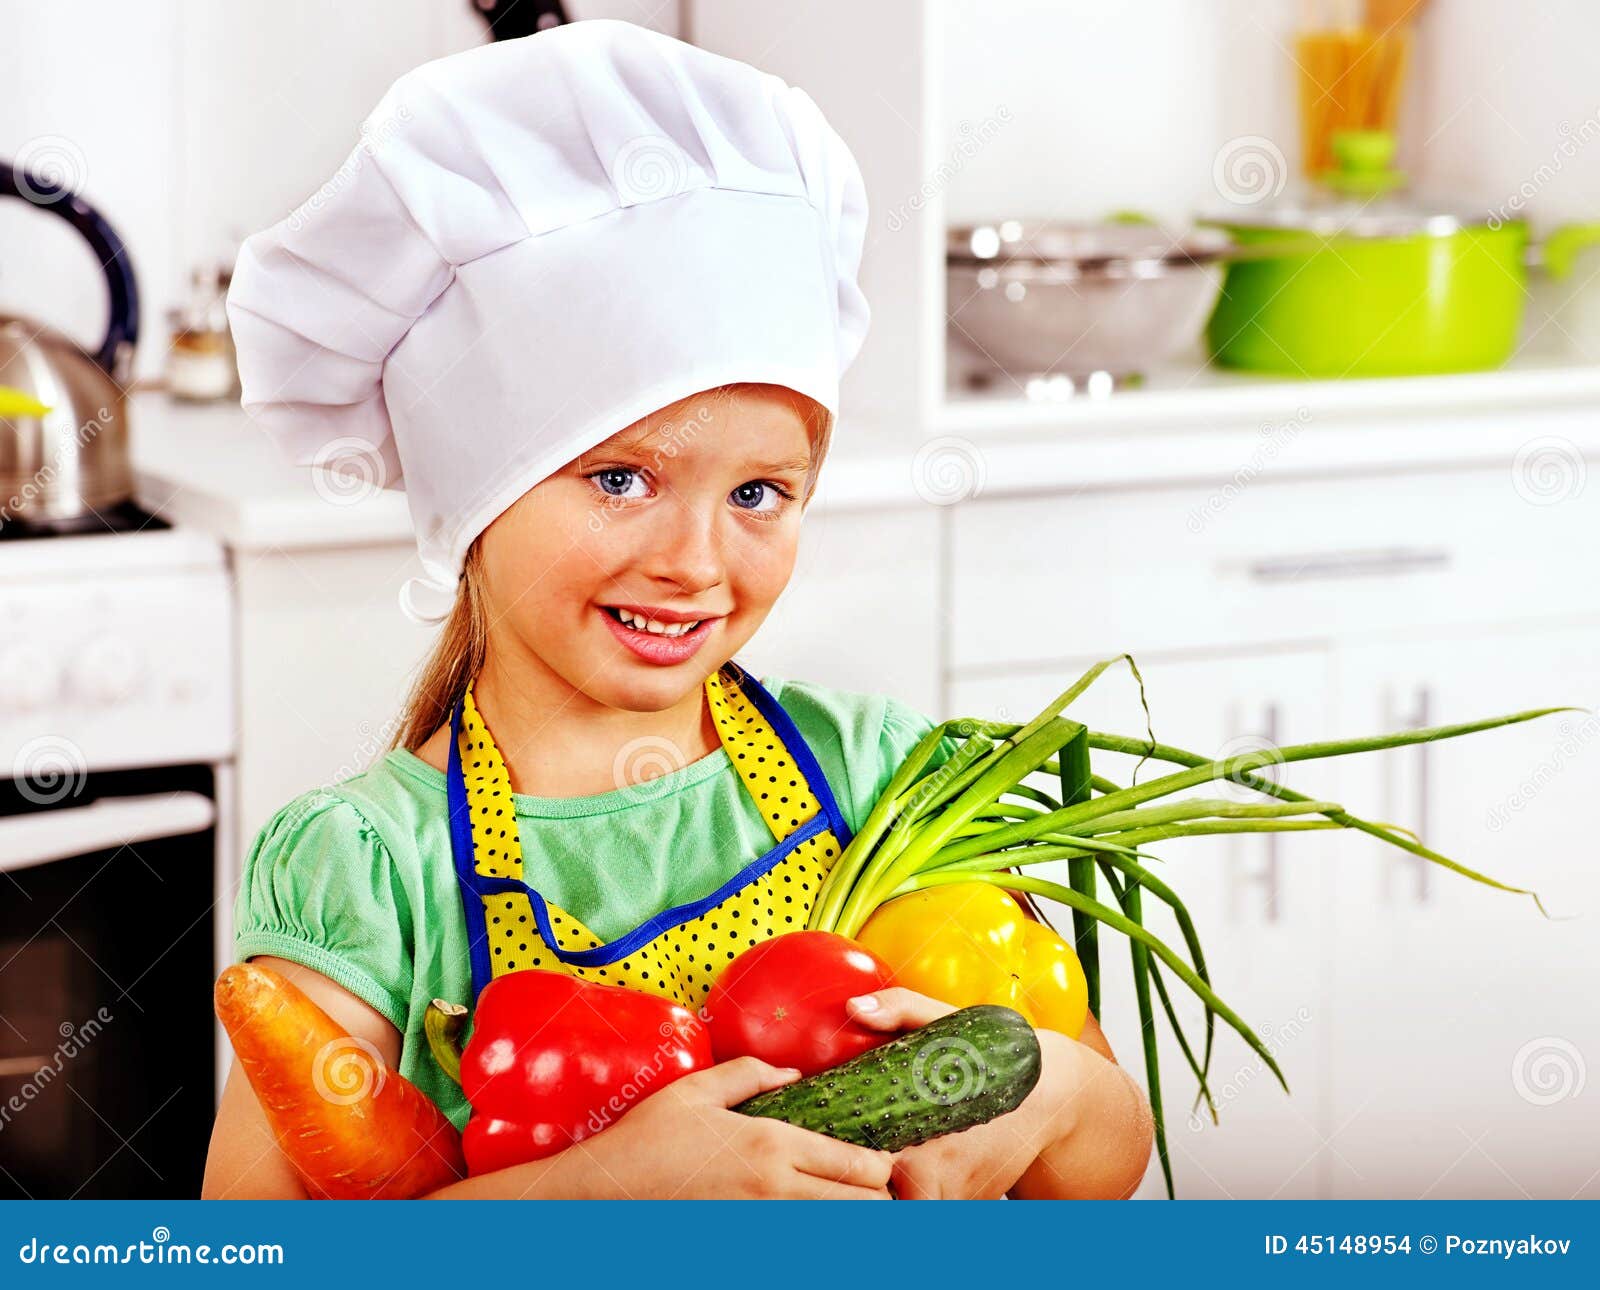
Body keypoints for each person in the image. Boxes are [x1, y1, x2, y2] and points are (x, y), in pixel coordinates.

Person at [202, 19, 1152, 1201]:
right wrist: (604, 1187)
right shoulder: (368, 864)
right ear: (474, 497)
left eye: (759, 493)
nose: (695, 562)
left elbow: (1102, 1164)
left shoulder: (875, 775)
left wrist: (1057, 1089)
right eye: (619, 480)